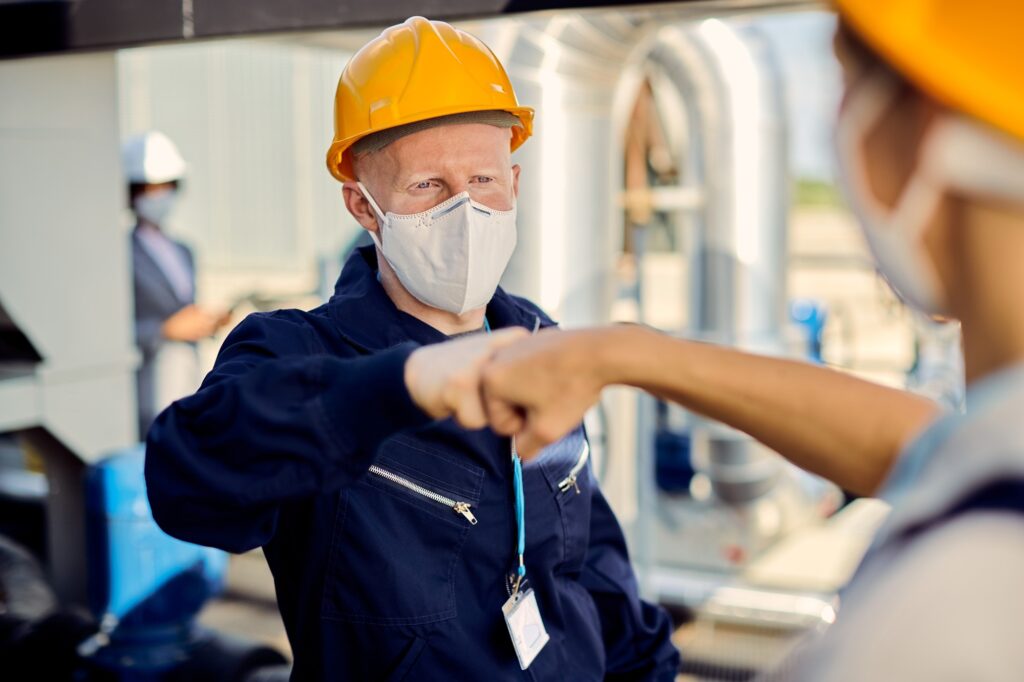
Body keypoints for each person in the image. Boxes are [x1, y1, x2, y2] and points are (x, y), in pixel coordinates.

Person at [464, 0, 1024, 678]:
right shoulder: (995, 466)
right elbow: (922, 443)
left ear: (922, 134)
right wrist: (623, 351)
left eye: (845, 81)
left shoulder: (943, 616)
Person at [144, 18, 679, 681]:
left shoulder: (540, 341)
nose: (466, 209)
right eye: (427, 185)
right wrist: (401, 385)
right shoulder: (300, 355)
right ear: (363, 207)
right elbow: (188, 483)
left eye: (483, 179)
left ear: (514, 183)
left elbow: (589, 562)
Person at [125, 131, 229, 438]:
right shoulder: (119, 252)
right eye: (150, 187)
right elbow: (109, 332)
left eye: (166, 185)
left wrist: (206, 321)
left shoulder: (184, 250)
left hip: (188, 381)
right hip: (148, 390)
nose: (159, 195)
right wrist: (164, 330)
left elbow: (184, 313)